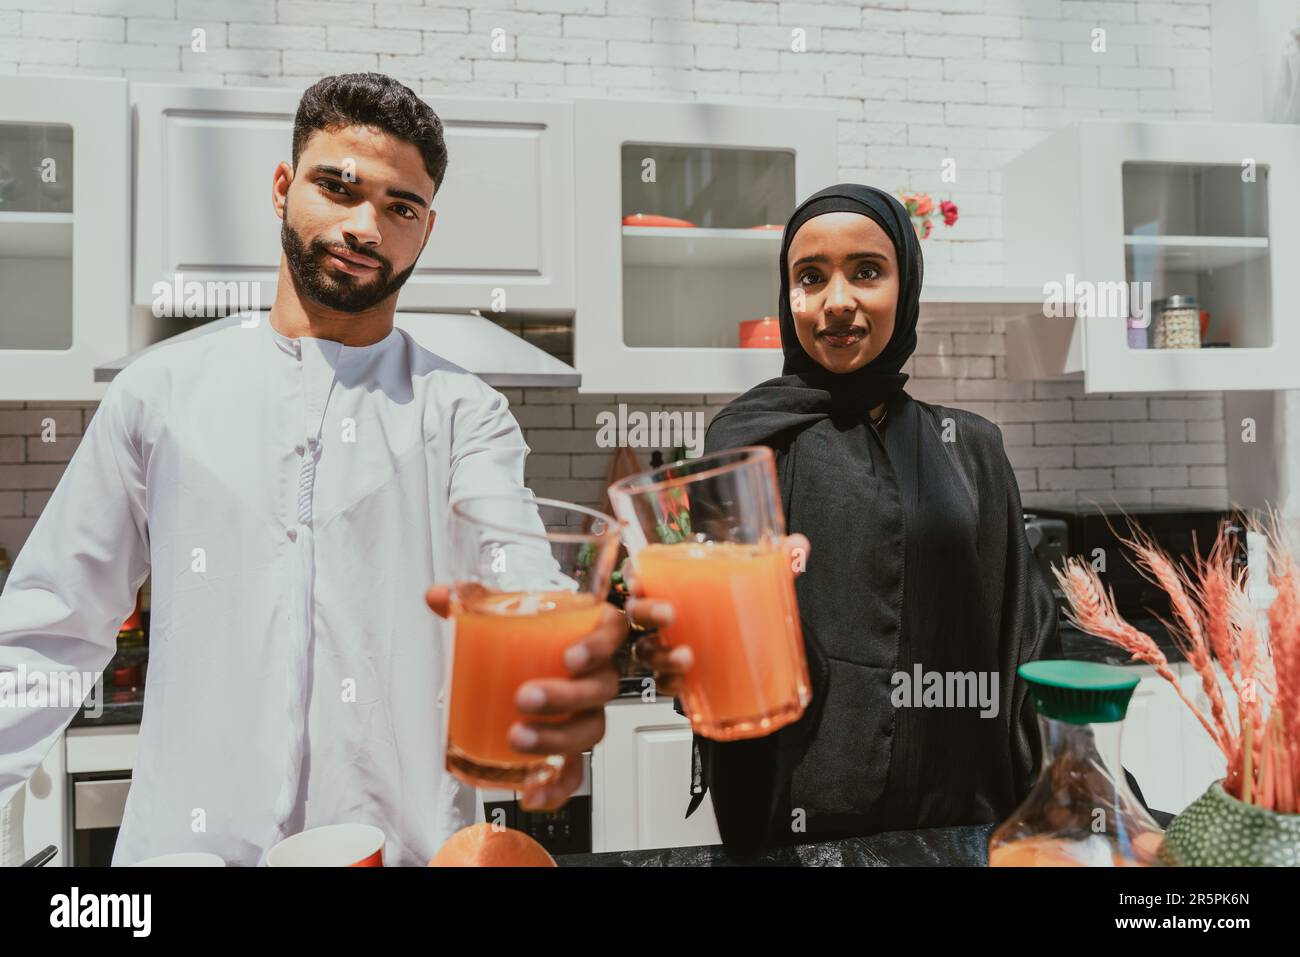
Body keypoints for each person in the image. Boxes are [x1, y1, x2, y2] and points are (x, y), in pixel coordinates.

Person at [0, 73, 624, 866]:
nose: (366, 225)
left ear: (425, 230)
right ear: (283, 187)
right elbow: (51, 630)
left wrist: (554, 671)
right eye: (339, 186)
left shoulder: (464, 413)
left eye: (401, 206)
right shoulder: (157, 394)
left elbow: (517, 581)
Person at [626, 184, 1065, 854]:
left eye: (866, 271)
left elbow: (1027, 645)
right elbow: (716, 654)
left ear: (906, 284)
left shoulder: (971, 448)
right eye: (810, 276)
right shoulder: (742, 443)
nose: (836, 302)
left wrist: (1079, 798)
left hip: (959, 823)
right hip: (791, 826)